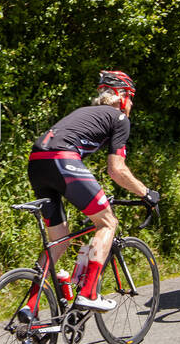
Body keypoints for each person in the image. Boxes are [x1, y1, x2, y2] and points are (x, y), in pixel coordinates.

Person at [20, 70, 159, 317]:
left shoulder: (84, 112)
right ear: (121, 96)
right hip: (62, 160)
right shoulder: (118, 117)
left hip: (36, 161)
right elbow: (116, 170)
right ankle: (88, 293)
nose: (132, 103)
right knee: (107, 222)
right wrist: (145, 193)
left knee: (60, 238)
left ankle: (30, 306)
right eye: (131, 96)